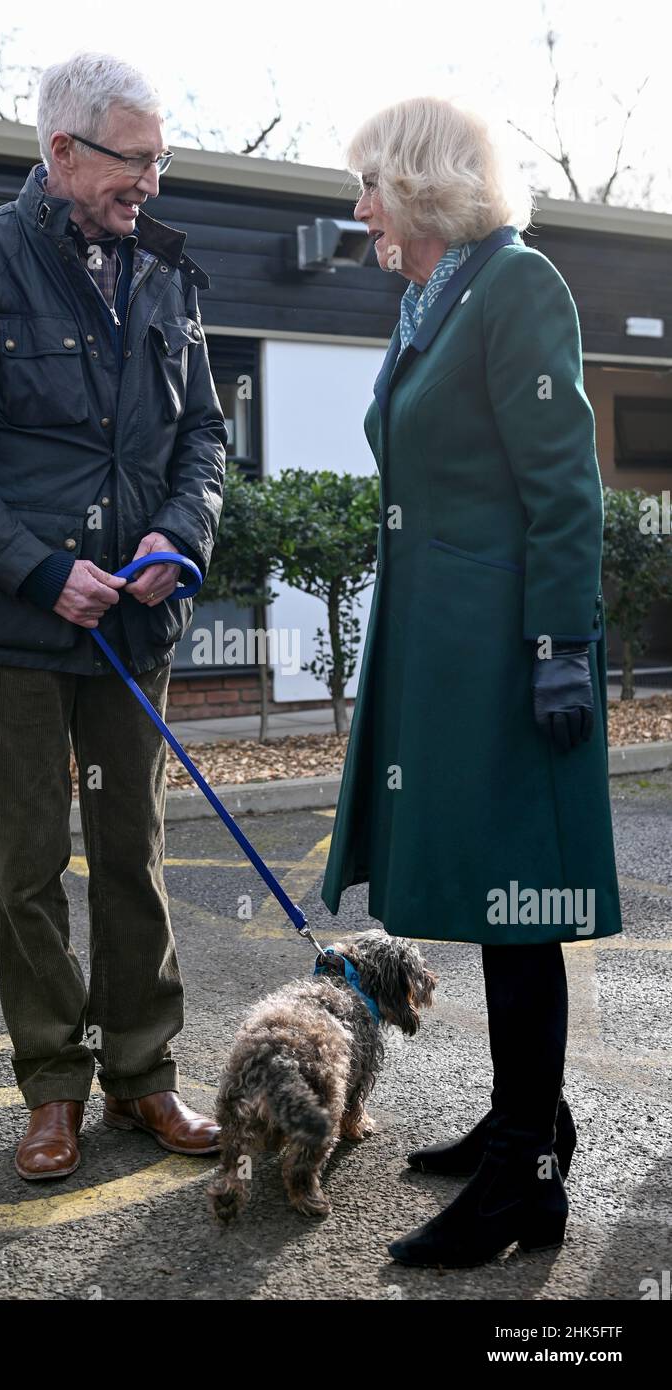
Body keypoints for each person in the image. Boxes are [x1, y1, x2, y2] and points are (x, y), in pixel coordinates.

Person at [0, 52, 227, 1180]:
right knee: (29, 864)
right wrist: (40, 571)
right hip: (18, 631)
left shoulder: (171, 276)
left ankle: (144, 1075)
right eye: (136, 161)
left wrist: (176, 537)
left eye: (161, 160)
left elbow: (204, 442)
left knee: (131, 851)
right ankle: (53, 1087)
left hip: (136, 627)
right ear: (63, 150)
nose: (153, 185)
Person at [320, 95, 622, 1266]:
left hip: (506, 655)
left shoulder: (518, 284)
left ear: (424, 185)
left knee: (521, 911)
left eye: (370, 187)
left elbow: (564, 490)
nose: (358, 213)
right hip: (439, 649)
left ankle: (523, 1185)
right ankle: (525, 1123)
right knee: (488, 898)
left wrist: (557, 649)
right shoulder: (427, 297)